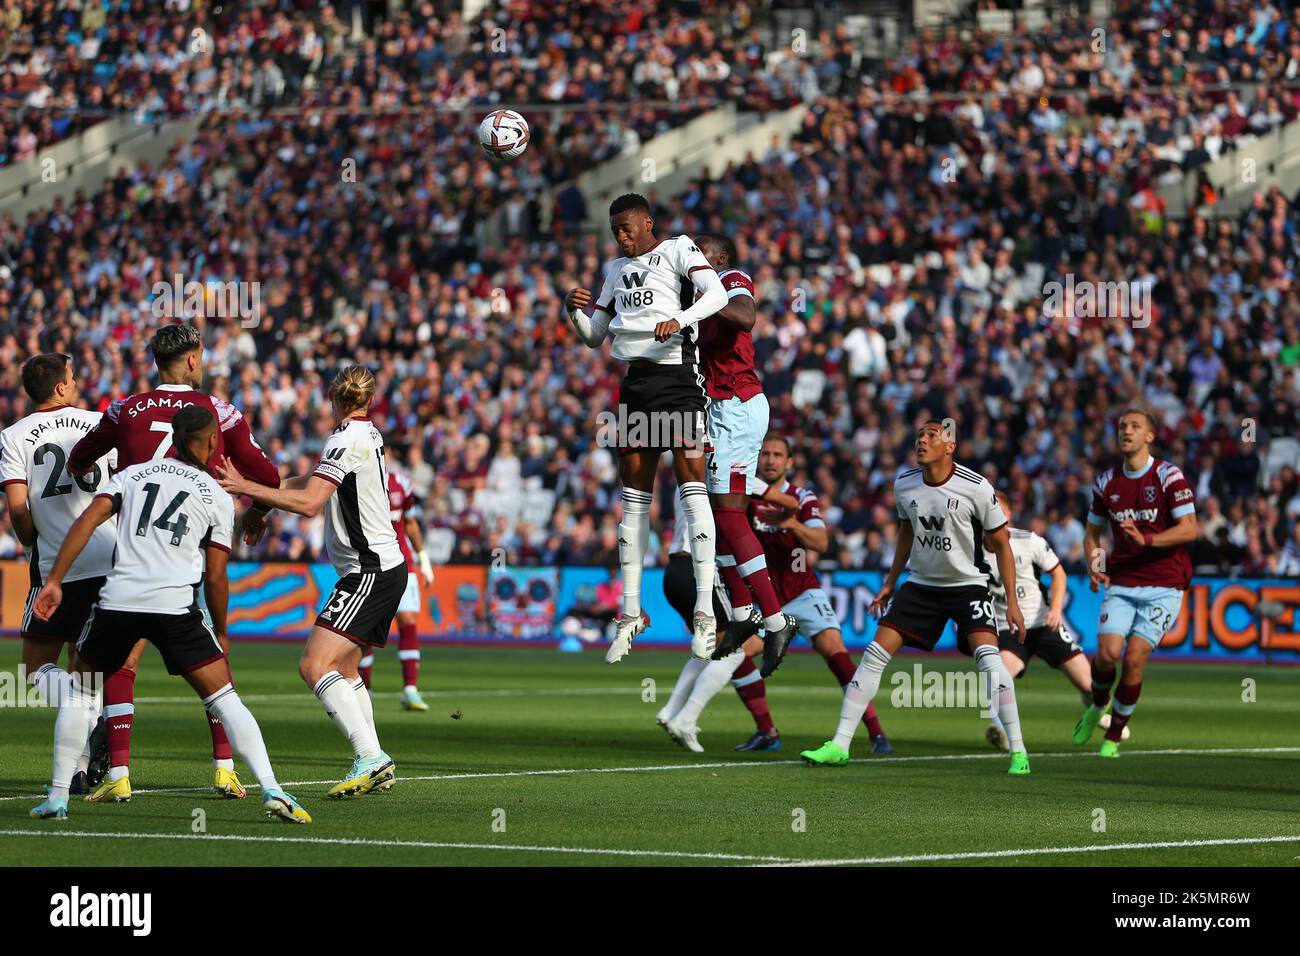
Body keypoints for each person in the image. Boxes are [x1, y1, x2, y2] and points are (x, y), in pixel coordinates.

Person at [32, 405, 310, 823]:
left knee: (81, 692)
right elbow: (216, 576)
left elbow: (87, 522)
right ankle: (272, 789)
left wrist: (54, 580)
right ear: (214, 442)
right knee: (225, 699)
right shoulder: (215, 495)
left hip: (118, 603)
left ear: (176, 439)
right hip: (175, 609)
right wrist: (220, 628)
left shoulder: (132, 475)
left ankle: (57, 798)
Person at [67, 322, 282, 803]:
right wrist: (258, 514)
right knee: (214, 663)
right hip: (190, 552)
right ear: (191, 360)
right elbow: (267, 474)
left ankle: (117, 773)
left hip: (132, 552)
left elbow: (80, 460)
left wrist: (113, 479)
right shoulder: (220, 412)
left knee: (119, 663)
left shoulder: (124, 408)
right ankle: (226, 768)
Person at [801, 420, 1031, 775]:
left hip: (967, 585)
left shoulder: (977, 487)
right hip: (921, 585)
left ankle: (1018, 751)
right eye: (919, 436)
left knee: (989, 661)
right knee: (874, 656)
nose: (922, 440)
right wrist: (891, 582)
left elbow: (1001, 544)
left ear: (950, 446)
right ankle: (840, 745)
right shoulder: (904, 484)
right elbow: (906, 533)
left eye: (931, 436)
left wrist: (1012, 603)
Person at [217, 366, 406, 798]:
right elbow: (312, 483)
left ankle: (370, 757)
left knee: (313, 666)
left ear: (331, 398)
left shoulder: (345, 438)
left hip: (369, 571)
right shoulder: (364, 433)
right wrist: (261, 503)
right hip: (382, 569)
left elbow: (310, 502)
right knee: (343, 667)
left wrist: (247, 487)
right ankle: (374, 757)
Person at [565, 193, 727, 662]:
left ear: (647, 222)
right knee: (633, 503)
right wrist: (573, 310)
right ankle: (631, 613)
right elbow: (595, 336)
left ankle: (704, 616)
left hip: (678, 378)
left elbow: (717, 294)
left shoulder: (678, 249)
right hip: (636, 385)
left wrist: (679, 318)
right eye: (615, 230)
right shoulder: (614, 272)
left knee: (692, 492)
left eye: (627, 228)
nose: (621, 236)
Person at [2, 354, 116, 810]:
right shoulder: (99, 421)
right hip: (109, 558)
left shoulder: (12, 436)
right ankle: (84, 765)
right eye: (73, 376)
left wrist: (32, 541)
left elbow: (16, 508)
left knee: (35, 666)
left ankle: (87, 733)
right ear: (63, 387)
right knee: (85, 663)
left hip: (56, 566)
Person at [693, 233, 799, 676]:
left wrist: (705, 297)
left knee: (731, 516)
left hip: (737, 402)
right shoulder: (693, 300)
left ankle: (774, 620)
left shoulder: (732, 280)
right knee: (715, 517)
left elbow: (745, 317)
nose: (691, 259)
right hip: (718, 410)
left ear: (718, 258)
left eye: (699, 254)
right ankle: (741, 614)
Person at [1073, 408, 1198, 756]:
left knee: (1134, 659)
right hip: (1124, 582)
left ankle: (1114, 734)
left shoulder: (1168, 476)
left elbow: (1190, 528)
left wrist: (1147, 540)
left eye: (1135, 426)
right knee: (1107, 655)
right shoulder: (1106, 482)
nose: (1126, 431)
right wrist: (1096, 564)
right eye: (1122, 426)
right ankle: (1098, 705)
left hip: (1165, 584)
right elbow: (1092, 532)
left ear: (1149, 436)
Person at [981, 492, 1091, 751]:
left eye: (999, 512)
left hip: (1043, 623)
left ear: (1008, 516)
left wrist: (1055, 609)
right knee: (1000, 675)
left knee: (1091, 686)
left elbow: (1059, 574)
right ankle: (1000, 729)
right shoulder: (973, 551)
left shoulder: (1028, 541)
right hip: (1008, 628)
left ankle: (1096, 711)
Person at [356, 449, 435, 712]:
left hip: (404, 563)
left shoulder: (402, 484)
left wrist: (423, 558)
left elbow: (410, 523)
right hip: (372, 565)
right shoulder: (357, 482)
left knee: (409, 621)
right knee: (368, 630)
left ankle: (410, 689)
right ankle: (364, 689)